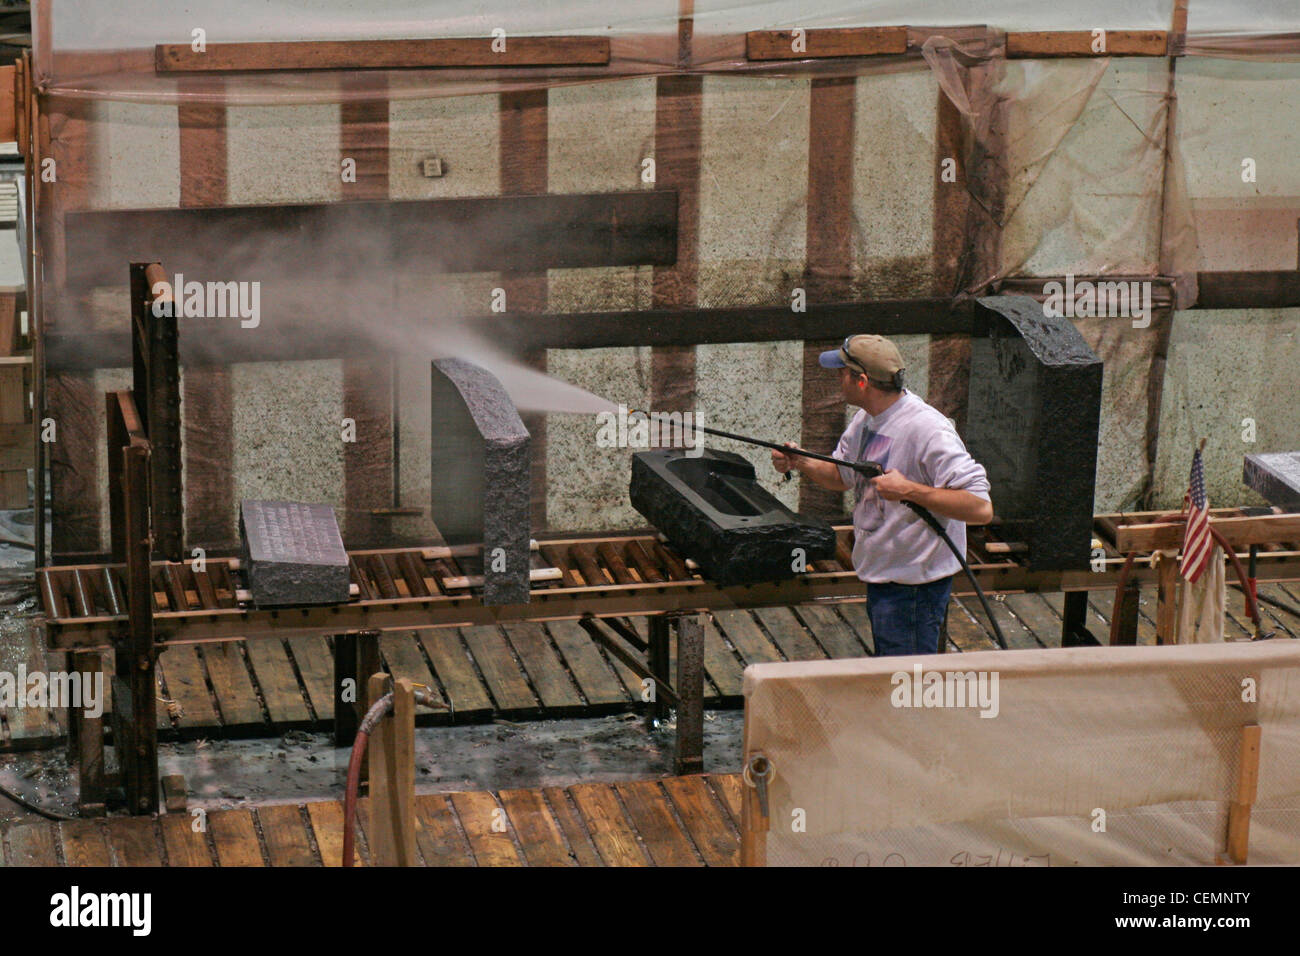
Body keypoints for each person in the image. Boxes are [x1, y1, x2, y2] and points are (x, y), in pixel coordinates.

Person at [772, 334, 993, 656]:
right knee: (896, 678)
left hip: (915, 586)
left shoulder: (927, 429)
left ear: (861, 381)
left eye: (842, 371)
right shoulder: (867, 419)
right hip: (885, 576)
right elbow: (842, 476)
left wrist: (909, 490)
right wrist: (801, 460)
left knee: (907, 686)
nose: (838, 377)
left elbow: (980, 507)